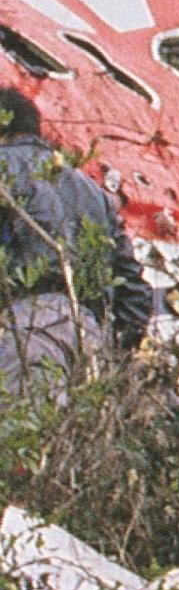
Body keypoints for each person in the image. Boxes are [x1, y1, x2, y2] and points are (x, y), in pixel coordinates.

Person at [0, 87, 150, 394]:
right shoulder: (95, 193)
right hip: (88, 338)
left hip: (23, 328)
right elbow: (132, 288)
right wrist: (115, 353)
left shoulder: (5, 170)